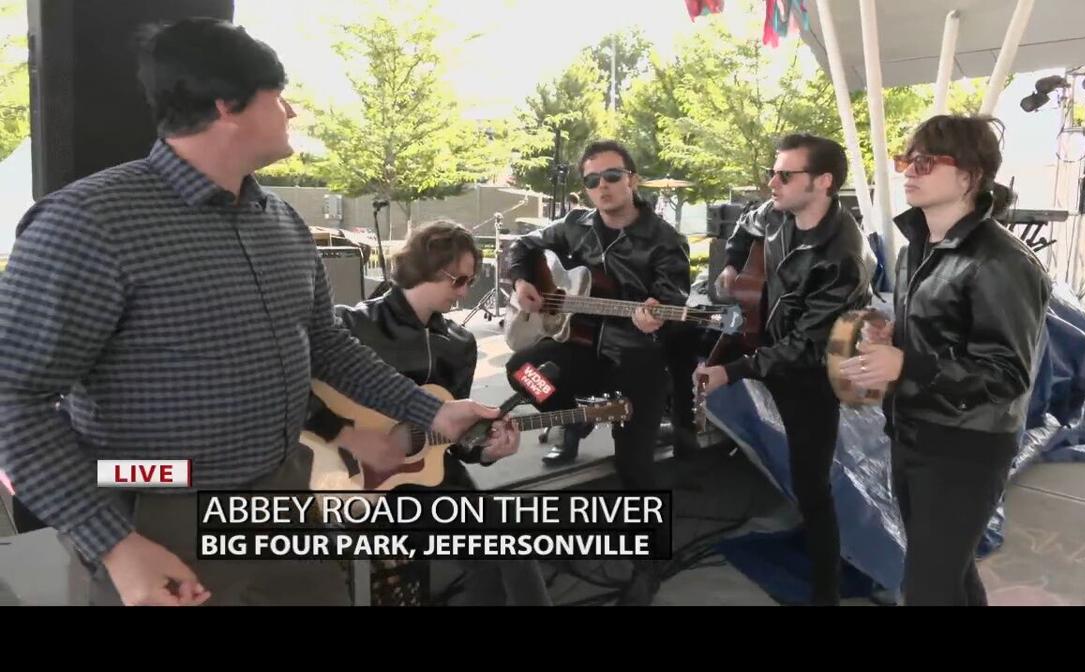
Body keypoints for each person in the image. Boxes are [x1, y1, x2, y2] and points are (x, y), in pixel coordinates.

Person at [0, 18, 509, 607]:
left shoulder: (283, 222)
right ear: (228, 105)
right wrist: (114, 543)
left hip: (286, 500)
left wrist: (429, 412)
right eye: (278, 97)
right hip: (165, 514)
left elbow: (326, 343)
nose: (291, 112)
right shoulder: (88, 224)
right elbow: (15, 398)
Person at [839, 114, 1051, 606]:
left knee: (928, 587)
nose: (909, 171)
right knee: (948, 576)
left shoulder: (1002, 261)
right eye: (906, 160)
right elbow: (948, 335)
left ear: (970, 176)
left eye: (926, 161)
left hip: (966, 446)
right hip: (913, 431)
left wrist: (906, 364)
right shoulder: (919, 247)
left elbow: (1006, 375)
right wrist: (897, 336)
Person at [303, 220, 551, 606]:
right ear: (426, 268)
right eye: (459, 281)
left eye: (471, 281)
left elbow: (457, 441)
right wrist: (343, 433)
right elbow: (291, 386)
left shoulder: (460, 343)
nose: (466, 292)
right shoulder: (349, 326)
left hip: (432, 479)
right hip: (350, 479)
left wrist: (486, 450)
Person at [505, 139, 690, 606]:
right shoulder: (574, 226)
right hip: (583, 348)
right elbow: (524, 245)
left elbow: (673, 301)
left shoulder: (665, 239)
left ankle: (650, 566)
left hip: (638, 361)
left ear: (632, 179)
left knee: (634, 467)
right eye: (592, 181)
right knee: (523, 370)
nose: (602, 187)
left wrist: (656, 314)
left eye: (611, 176)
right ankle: (574, 414)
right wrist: (523, 280)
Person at [698, 133, 872, 606]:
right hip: (765, 339)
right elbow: (744, 227)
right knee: (678, 335)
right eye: (774, 172)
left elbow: (805, 346)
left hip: (810, 370)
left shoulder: (843, 257)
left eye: (784, 174)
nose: (771, 182)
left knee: (812, 486)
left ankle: (825, 595)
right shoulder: (776, 212)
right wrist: (734, 266)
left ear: (823, 182)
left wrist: (732, 371)